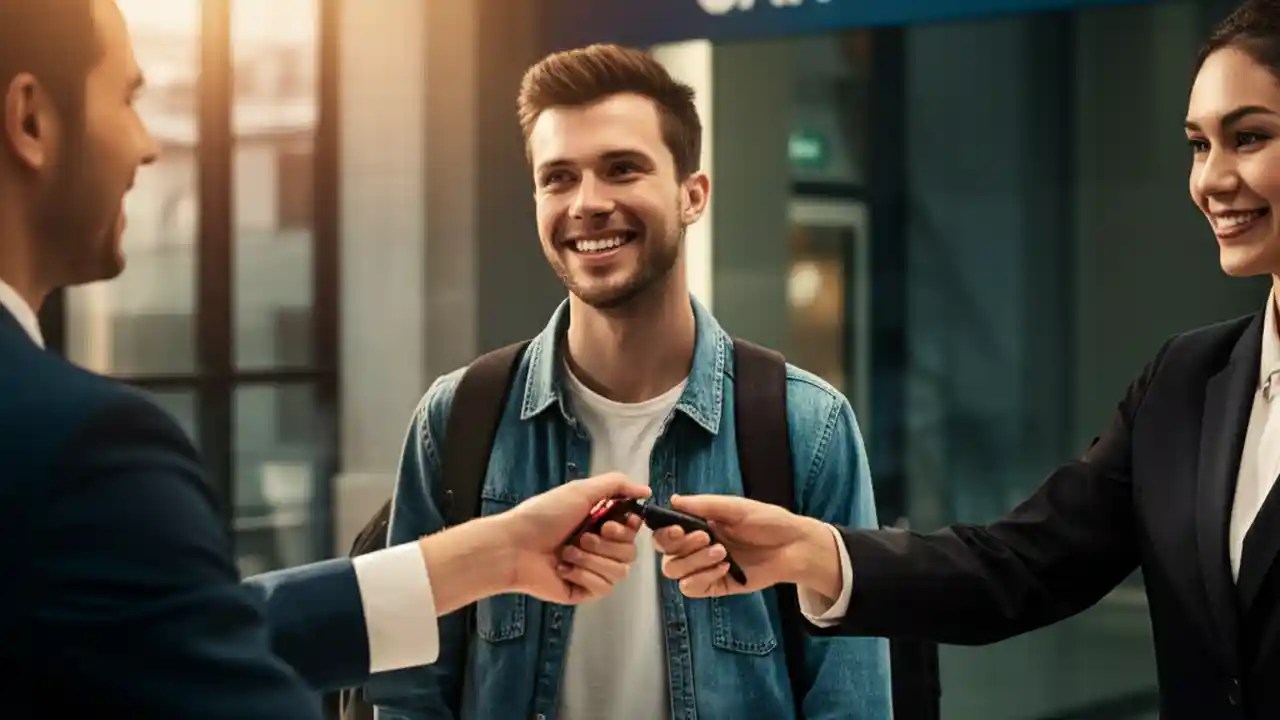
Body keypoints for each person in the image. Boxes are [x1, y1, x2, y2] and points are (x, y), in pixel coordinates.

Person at [0, 1, 646, 716]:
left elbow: (161, 637)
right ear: (31, 120)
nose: (147, 145)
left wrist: (493, 556)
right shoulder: (79, 447)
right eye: (126, 97)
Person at [653, 1, 1280, 717]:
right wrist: (813, 552)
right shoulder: (1185, 383)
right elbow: (1017, 569)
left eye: (1250, 137)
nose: (1212, 180)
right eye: (1200, 145)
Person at [365, 43, 892, 720]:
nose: (587, 203)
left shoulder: (804, 427)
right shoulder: (458, 419)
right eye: (558, 178)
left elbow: (852, 703)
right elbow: (409, 696)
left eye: (621, 169)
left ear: (692, 194)